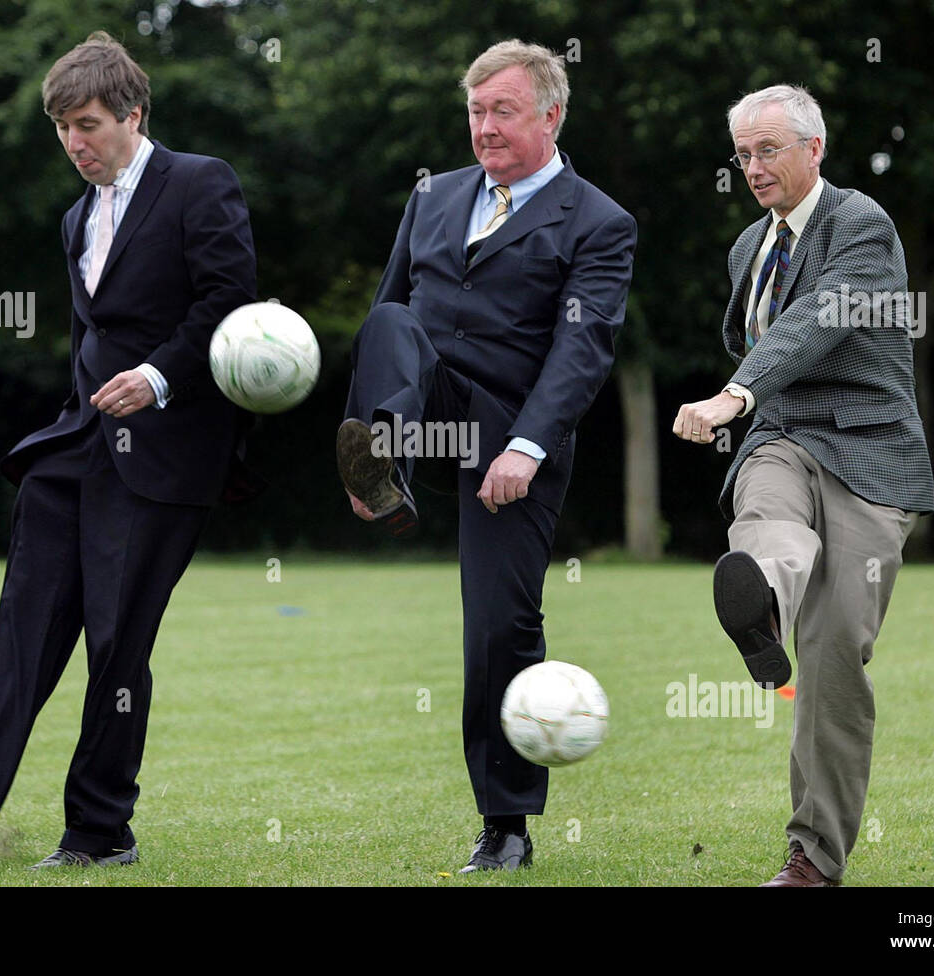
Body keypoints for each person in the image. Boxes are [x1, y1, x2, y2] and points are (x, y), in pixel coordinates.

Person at [0, 32, 257, 868]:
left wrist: (158, 377)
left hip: (166, 455)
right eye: (61, 128)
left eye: (86, 124)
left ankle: (99, 832)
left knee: (116, 644)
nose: (74, 144)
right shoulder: (75, 216)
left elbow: (230, 305)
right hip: (79, 444)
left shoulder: (199, 183)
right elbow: (90, 337)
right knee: (25, 627)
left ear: (132, 114)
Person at [337, 39, 635, 872]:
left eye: (502, 111)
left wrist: (528, 447)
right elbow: (386, 312)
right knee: (394, 321)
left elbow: (583, 351)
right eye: (475, 111)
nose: (485, 128)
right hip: (421, 404)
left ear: (551, 113)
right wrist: (367, 436)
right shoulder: (433, 194)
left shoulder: (600, 222)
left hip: (512, 433)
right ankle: (383, 468)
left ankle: (506, 824)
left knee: (500, 628)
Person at [672, 85, 934, 886]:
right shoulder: (747, 245)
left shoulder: (861, 224)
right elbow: (765, 330)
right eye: (743, 154)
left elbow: (817, 317)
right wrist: (753, 408)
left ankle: (816, 858)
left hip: (869, 454)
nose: (752, 167)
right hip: (783, 437)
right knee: (768, 520)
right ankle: (760, 605)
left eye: (768, 150)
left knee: (833, 657)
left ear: (813, 150)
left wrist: (733, 393)